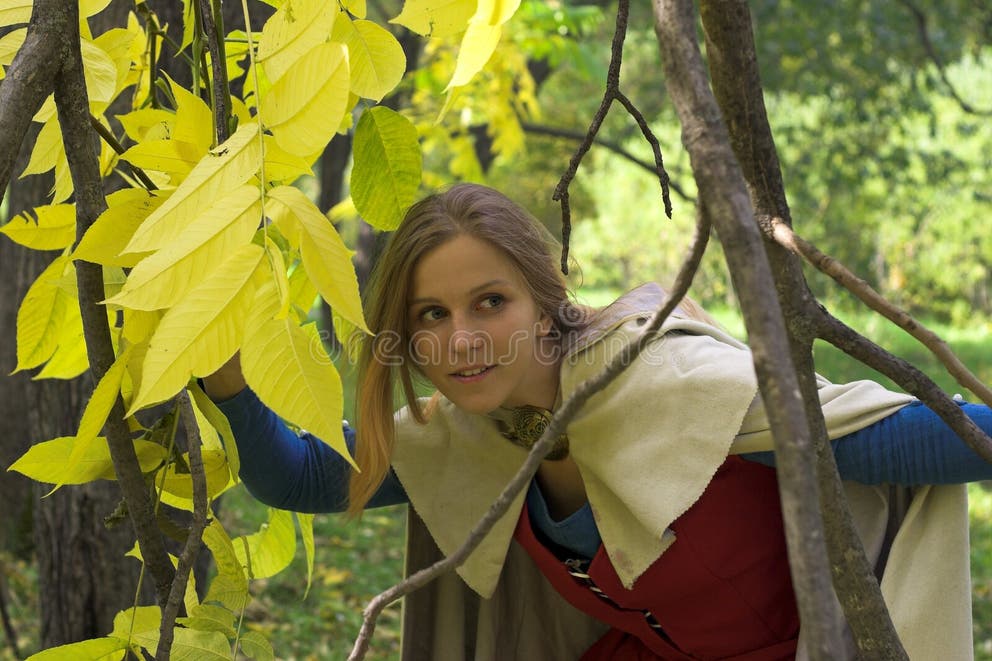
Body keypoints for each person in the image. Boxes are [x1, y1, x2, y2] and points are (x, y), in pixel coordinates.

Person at [205, 183, 992, 660]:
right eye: (431, 315)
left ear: (545, 301)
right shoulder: (467, 430)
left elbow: (912, 436)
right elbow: (300, 476)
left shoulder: (663, 379)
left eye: (491, 302)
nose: (463, 339)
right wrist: (228, 377)